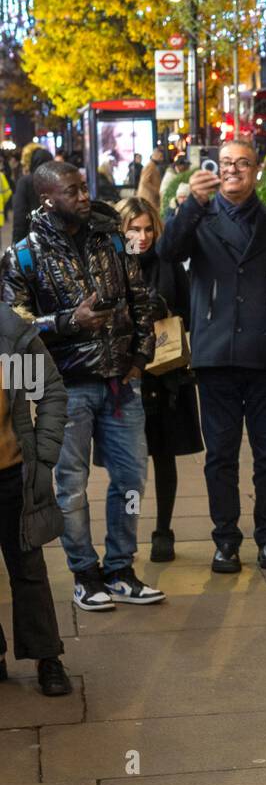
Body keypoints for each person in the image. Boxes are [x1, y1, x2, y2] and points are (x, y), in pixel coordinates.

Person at [1, 159, 163, 610]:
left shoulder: (112, 237)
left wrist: (139, 359)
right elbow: (15, 327)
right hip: (67, 388)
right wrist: (70, 320)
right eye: (72, 190)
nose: (83, 195)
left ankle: (121, 568)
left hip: (120, 383)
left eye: (84, 186)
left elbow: (141, 298)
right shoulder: (24, 256)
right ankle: (84, 574)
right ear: (49, 199)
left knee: (130, 479)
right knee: (71, 486)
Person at [158, 139, 266, 573]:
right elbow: (167, 253)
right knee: (220, 454)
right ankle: (225, 540)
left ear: (257, 170)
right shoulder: (198, 218)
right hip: (215, 353)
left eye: (242, 163)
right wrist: (191, 206)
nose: (233, 169)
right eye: (225, 163)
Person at [118, 197, 204, 562]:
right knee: (127, 463)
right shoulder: (111, 265)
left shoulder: (169, 265)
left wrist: (166, 309)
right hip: (125, 375)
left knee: (164, 456)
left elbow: (189, 313)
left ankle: (163, 530)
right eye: (134, 228)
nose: (142, 235)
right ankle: (122, 537)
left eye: (148, 228)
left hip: (166, 374)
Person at [0, 301, 72, 695]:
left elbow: (49, 394)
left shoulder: (8, 336)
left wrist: (43, 457)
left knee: (28, 569)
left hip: (12, 476)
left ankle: (48, 658)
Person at [12, 146, 52, 245]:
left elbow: (20, 216)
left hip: (32, 239)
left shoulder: (25, 181)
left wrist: (16, 243)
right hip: (55, 239)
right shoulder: (56, 180)